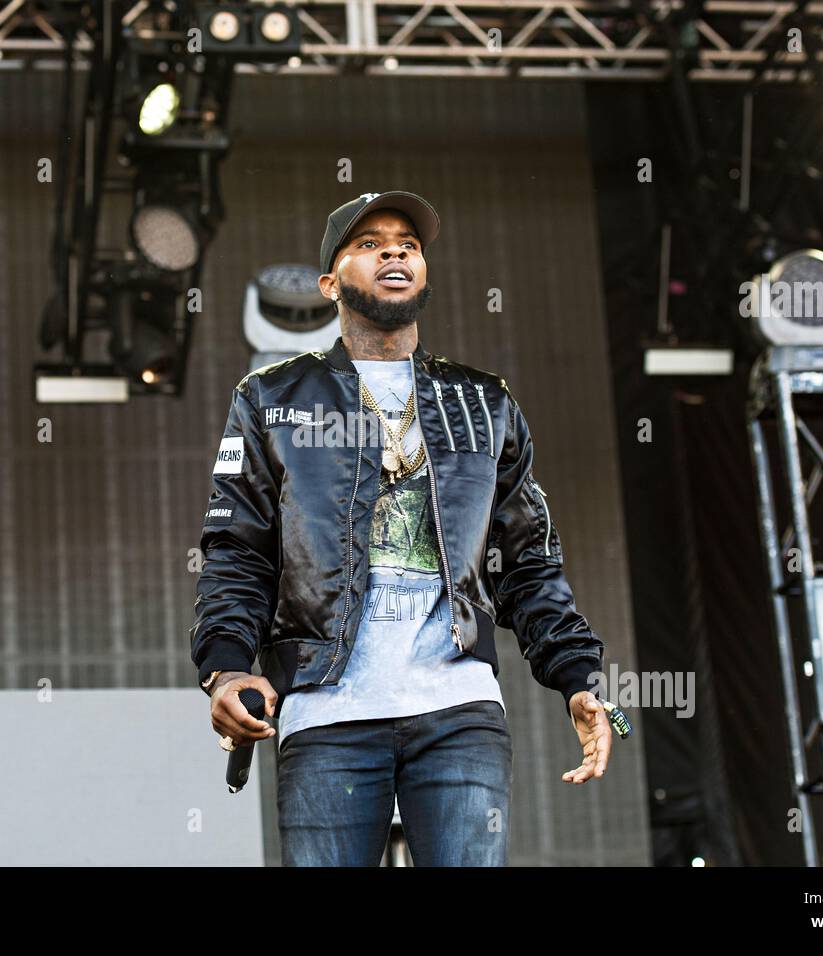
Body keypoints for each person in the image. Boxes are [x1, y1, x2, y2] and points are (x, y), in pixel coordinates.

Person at [190, 190, 611, 866]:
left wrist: (580, 677)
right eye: (369, 242)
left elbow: (528, 562)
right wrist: (227, 668)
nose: (394, 250)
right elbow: (237, 554)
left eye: (408, 244)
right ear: (330, 284)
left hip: (458, 710)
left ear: (422, 273)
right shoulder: (271, 399)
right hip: (326, 710)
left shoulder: (484, 403)